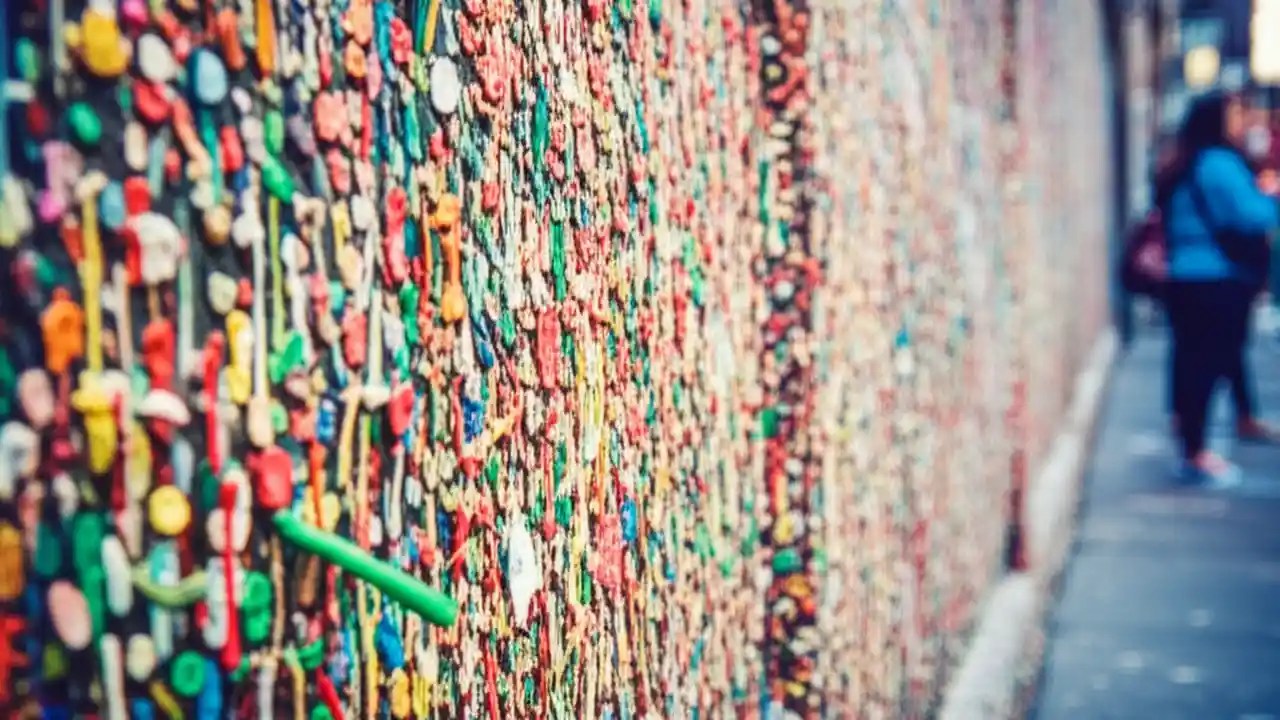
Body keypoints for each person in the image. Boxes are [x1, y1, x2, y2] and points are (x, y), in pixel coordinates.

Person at [1155, 91, 1278, 485]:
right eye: (1236, 115)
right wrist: (1270, 195)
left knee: (1193, 362)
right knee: (1207, 365)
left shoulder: (1184, 160)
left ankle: (1194, 442)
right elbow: (1252, 217)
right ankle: (1196, 454)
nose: (1245, 123)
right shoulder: (1219, 164)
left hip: (1184, 277)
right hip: (1216, 278)